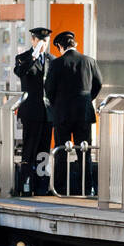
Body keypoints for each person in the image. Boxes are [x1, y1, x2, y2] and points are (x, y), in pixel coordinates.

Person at [44, 30, 102, 194]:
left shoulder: (56, 64)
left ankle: (59, 188)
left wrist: (58, 104)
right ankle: (88, 187)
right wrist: (86, 99)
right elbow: (98, 83)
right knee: (84, 150)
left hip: (62, 113)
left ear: (61, 46)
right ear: (74, 44)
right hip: (83, 112)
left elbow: (49, 89)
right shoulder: (89, 61)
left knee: (61, 151)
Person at [12, 27, 53, 196]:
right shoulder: (23, 58)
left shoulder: (52, 60)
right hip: (31, 111)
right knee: (29, 148)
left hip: (47, 112)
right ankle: (26, 185)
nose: (43, 44)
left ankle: (42, 187)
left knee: (44, 150)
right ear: (33, 40)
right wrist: (33, 56)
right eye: (40, 41)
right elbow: (20, 73)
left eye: (46, 41)